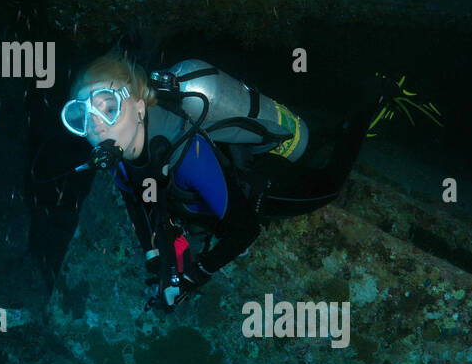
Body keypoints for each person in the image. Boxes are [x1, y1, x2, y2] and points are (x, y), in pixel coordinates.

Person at [60, 51, 439, 312]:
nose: (96, 124)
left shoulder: (187, 154)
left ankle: (368, 106)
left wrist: (192, 277)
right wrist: (154, 258)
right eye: (83, 114)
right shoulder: (113, 155)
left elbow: (245, 230)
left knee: (330, 185)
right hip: (209, 187)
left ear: (140, 106)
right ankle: (331, 129)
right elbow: (137, 202)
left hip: (257, 190)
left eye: (108, 107)